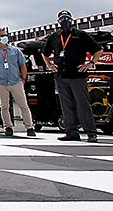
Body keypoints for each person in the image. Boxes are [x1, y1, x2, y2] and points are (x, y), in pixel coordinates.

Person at [41, 10, 103, 142]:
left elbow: (98, 50)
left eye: (67, 18)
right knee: (66, 105)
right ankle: (71, 132)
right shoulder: (54, 36)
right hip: (61, 75)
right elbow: (44, 53)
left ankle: (91, 132)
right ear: (58, 21)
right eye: (62, 18)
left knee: (82, 104)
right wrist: (49, 65)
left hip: (77, 75)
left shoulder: (80, 35)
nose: (64, 21)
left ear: (71, 20)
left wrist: (90, 63)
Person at [0, 28, 36, 137]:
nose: (4, 37)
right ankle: (8, 126)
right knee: (4, 106)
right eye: (2, 35)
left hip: (15, 81)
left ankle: (29, 127)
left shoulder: (15, 51)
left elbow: (22, 65)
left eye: (5, 35)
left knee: (23, 105)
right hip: (1, 82)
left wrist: (23, 78)